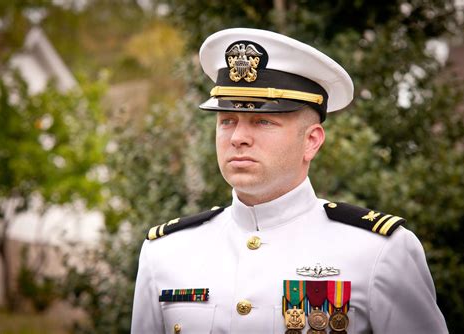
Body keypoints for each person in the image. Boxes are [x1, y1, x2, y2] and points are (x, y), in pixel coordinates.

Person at [131, 28, 448, 334]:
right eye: (227, 120)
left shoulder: (380, 252)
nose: (238, 137)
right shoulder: (166, 252)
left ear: (311, 141)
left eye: (263, 121)